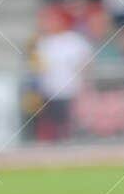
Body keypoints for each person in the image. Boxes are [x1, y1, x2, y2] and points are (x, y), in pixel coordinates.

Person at [32, 9, 90, 142]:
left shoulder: (74, 40)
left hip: (71, 89)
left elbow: (85, 63)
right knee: (52, 124)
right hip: (49, 89)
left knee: (70, 122)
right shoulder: (44, 42)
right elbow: (39, 66)